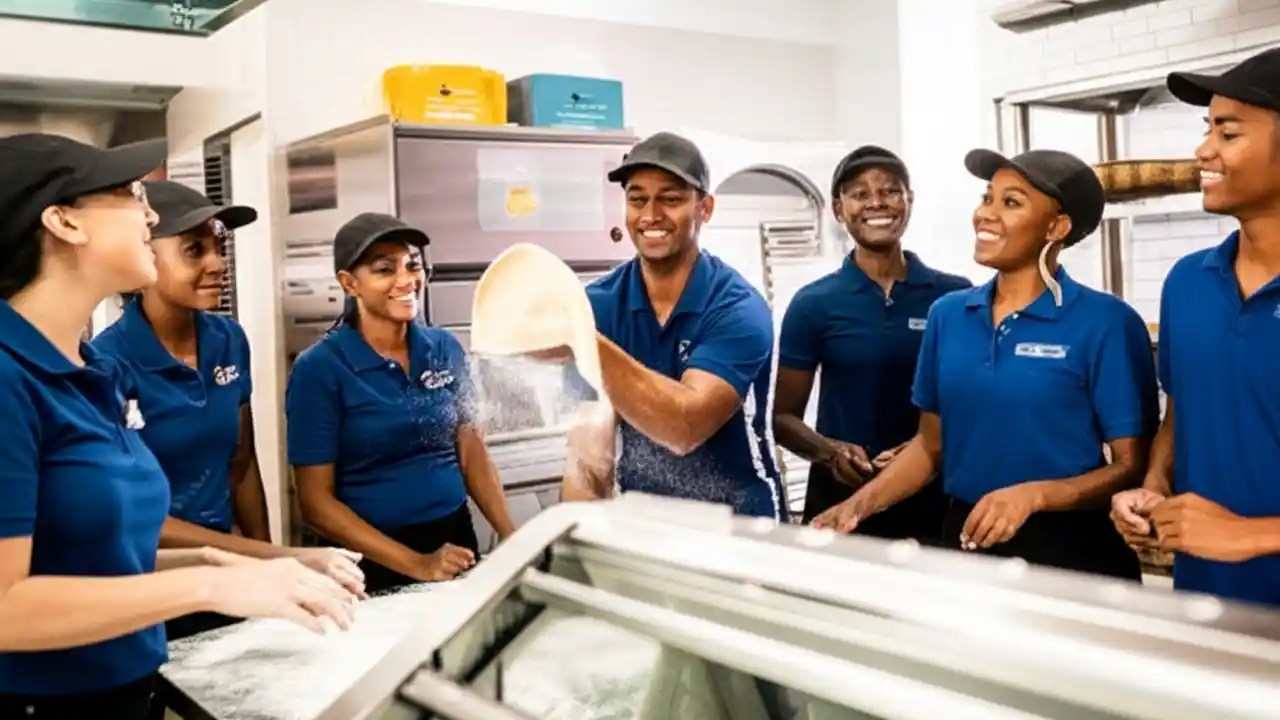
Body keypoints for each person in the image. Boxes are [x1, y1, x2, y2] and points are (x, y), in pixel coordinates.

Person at [0, 133, 357, 719]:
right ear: (64, 222)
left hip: (128, 688)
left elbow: (112, 560)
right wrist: (209, 587)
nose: (147, 211)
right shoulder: (10, 375)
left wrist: (258, 564)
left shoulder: (96, 371)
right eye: (128, 193)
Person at [815, 147, 1159, 581]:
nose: (985, 215)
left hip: (1072, 549)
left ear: (1057, 226)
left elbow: (1130, 467)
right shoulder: (949, 315)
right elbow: (929, 447)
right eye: (987, 198)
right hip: (966, 536)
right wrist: (855, 507)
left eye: (1010, 202)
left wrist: (1035, 496)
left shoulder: (1106, 322)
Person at [92, 180, 365, 640]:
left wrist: (265, 565)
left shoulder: (228, 340)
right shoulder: (107, 364)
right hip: (150, 580)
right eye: (194, 250)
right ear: (145, 254)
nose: (218, 263)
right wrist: (277, 558)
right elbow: (134, 516)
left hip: (234, 566)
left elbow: (241, 466)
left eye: (219, 246)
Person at [1110, 48, 1280, 607]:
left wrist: (1251, 534)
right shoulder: (1188, 282)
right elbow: (1184, 410)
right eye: (1207, 130)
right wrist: (1155, 484)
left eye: (1228, 134)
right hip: (1207, 604)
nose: (1202, 150)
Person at [286, 212, 516, 594]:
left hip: (454, 541)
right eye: (384, 269)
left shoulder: (443, 349)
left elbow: (471, 450)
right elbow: (315, 504)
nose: (406, 280)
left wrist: (513, 537)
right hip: (367, 562)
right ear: (349, 283)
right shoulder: (319, 370)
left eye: (412, 265)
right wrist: (417, 564)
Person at [561, 131, 785, 519]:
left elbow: (687, 426)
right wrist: (570, 544)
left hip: (740, 524)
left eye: (671, 198)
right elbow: (589, 454)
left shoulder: (737, 307)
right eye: (637, 199)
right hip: (646, 522)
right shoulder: (598, 305)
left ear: (705, 208)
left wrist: (581, 338)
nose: (651, 216)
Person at [775, 146, 971, 539]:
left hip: (935, 501)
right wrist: (829, 452)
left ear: (908, 200)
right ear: (838, 208)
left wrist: (924, 446)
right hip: (840, 500)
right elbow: (782, 418)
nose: (876, 202)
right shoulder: (814, 303)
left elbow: (971, 402)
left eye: (890, 191)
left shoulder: (954, 298)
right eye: (860, 194)